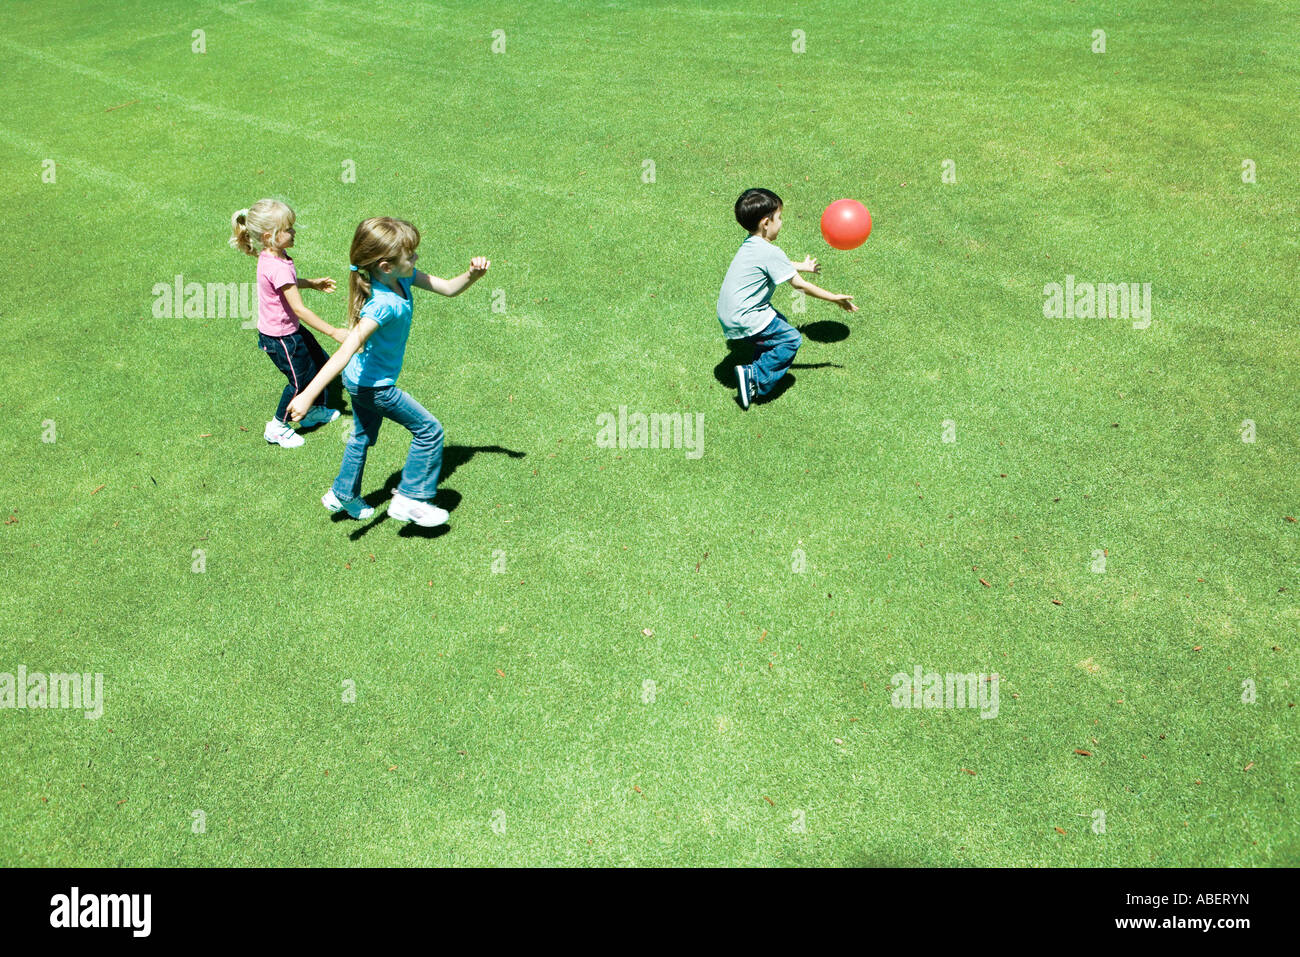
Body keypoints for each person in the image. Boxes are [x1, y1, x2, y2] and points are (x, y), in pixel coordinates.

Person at [286, 217, 489, 527]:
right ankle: (410, 499)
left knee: (362, 436)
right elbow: (345, 350)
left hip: (359, 380)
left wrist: (472, 275)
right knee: (429, 431)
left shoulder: (403, 278)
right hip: (375, 387)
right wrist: (308, 396)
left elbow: (448, 288)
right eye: (410, 254)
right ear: (385, 266)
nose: (416, 258)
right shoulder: (382, 305)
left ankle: (342, 492)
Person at [717, 188, 857, 409]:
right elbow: (800, 286)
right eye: (779, 218)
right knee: (790, 339)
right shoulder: (771, 252)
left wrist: (802, 266)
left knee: (778, 322)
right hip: (746, 316)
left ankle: (759, 361)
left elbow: (775, 264)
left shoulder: (751, 244)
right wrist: (835, 298)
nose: (781, 223)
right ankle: (754, 377)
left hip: (730, 312)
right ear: (765, 223)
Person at [229, 199, 345, 447]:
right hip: (281, 338)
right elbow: (300, 309)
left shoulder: (275, 256)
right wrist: (334, 331)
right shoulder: (277, 264)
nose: (294, 233)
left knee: (319, 362)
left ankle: (311, 411)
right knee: (299, 381)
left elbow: (286, 284)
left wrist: (311, 282)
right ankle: (277, 427)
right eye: (289, 229)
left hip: (289, 331)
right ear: (270, 236)